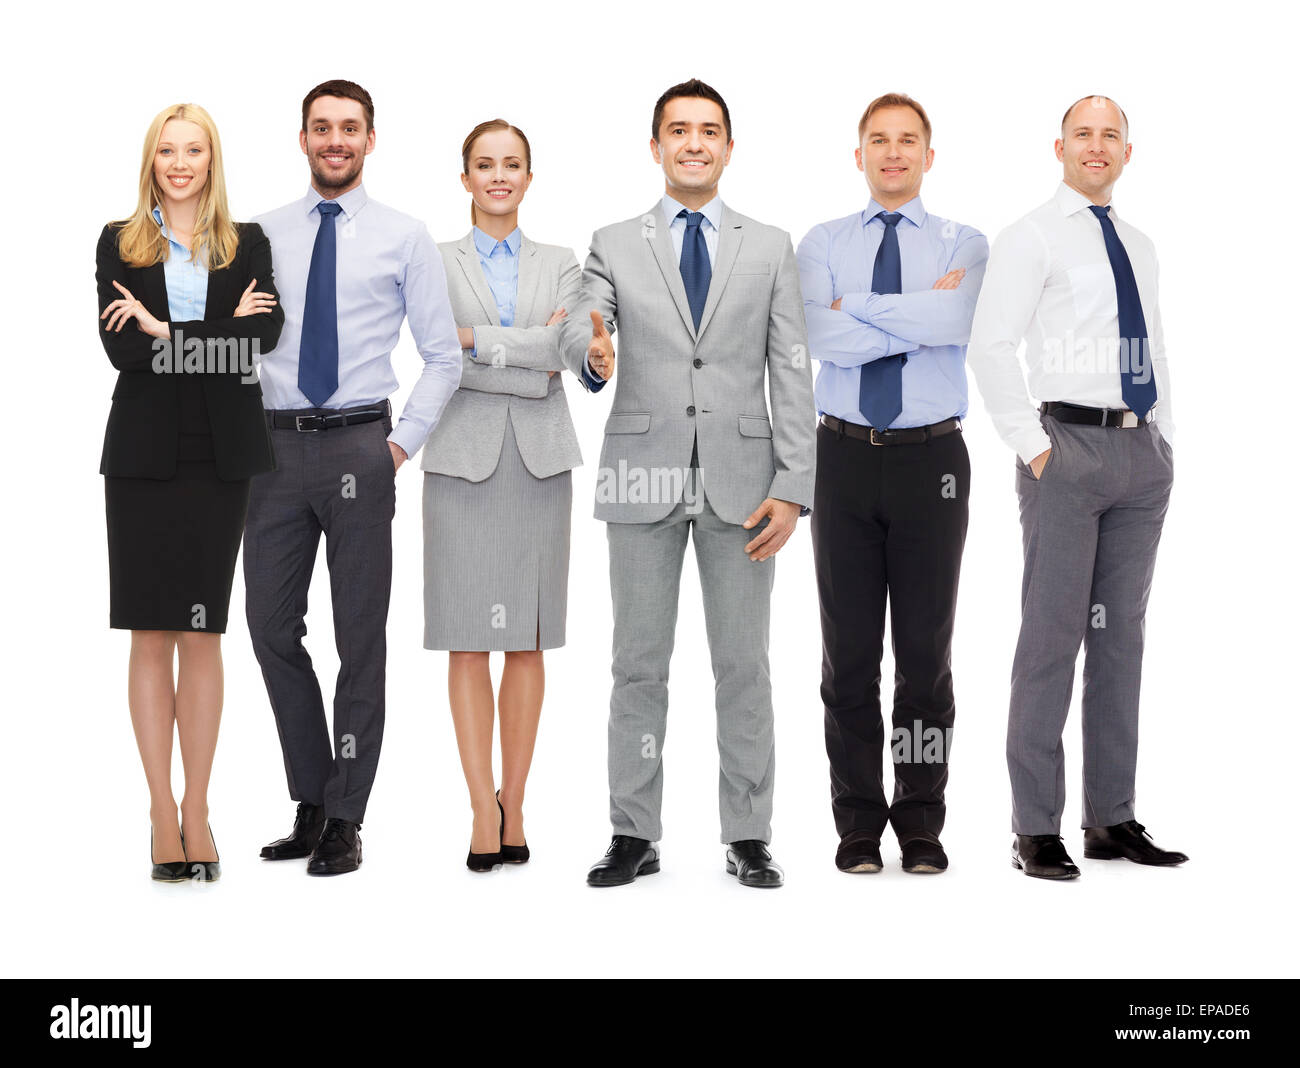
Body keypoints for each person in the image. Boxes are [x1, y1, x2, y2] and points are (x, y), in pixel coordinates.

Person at [568, 79, 817, 889]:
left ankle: (748, 834)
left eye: (709, 131)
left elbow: (790, 369)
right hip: (642, 476)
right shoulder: (613, 239)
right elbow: (587, 319)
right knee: (638, 664)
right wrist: (592, 351)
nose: (694, 143)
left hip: (746, 485)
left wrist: (795, 483)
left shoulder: (771, 244)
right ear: (656, 147)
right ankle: (633, 834)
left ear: (729, 147)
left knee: (743, 664)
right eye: (679, 131)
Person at [966, 94, 1186, 879]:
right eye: (1083, 134)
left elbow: (1154, 341)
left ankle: (1112, 817)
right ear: (1058, 146)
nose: (1097, 147)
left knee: (1120, 637)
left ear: (1129, 151)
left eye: (1111, 136)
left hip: (1138, 454)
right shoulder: (1030, 238)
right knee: (1052, 637)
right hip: (1065, 449)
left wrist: (1165, 437)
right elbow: (990, 345)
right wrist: (1034, 449)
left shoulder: (1141, 243)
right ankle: (1035, 827)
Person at [247, 80, 462, 876]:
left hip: (359, 451)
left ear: (371, 140)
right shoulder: (259, 233)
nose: (335, 140)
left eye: (349, 128)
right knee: (271, 629)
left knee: (358, 638)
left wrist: (397, 448)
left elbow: (444, 356)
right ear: (302, 138)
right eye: (321, 128)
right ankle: (311, 795)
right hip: (271, 452)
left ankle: (347, 814)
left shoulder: (405, 236)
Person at [797, 93, 987, 876]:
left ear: (929, 156)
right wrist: (914, 309)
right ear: (859, 155)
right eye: (879, 140)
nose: (894, 152)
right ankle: (855, 822)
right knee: (847, 656)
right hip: (841, 459)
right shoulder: (821, 242)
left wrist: (862, 309)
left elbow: (955, 324)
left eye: (908, 141)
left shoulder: (965, 243)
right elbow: (820, 334)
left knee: (925, 656)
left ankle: (919, 820)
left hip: (931, 463)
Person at [96, 102, 283, 883]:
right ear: (152, 161)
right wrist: (213, 334)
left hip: (220, 456)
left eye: (193, 149)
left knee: (204, 633)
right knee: (150, 632)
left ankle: (198, 809)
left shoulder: (250, 244)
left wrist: (166, 332)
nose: (180, 162)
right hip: (141, 458)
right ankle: (157, 810)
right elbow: (118, 351)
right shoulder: (118, 242)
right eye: (167, 150)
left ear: (212, 161)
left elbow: (263, 340)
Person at [420, 119, 607, 872]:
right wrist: (525, 351)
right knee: (467, 640)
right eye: (484, 164)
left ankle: (516, 802)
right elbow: (442, 354)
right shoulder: (430, 261)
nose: (499, 176)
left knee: (527, 639)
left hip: (538, 464)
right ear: (464, 177)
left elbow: (571, 353)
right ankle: (477, 806)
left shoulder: (565, 262)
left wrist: (481, 341)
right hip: (461, 463)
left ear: (530, 177)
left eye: (512, 164)